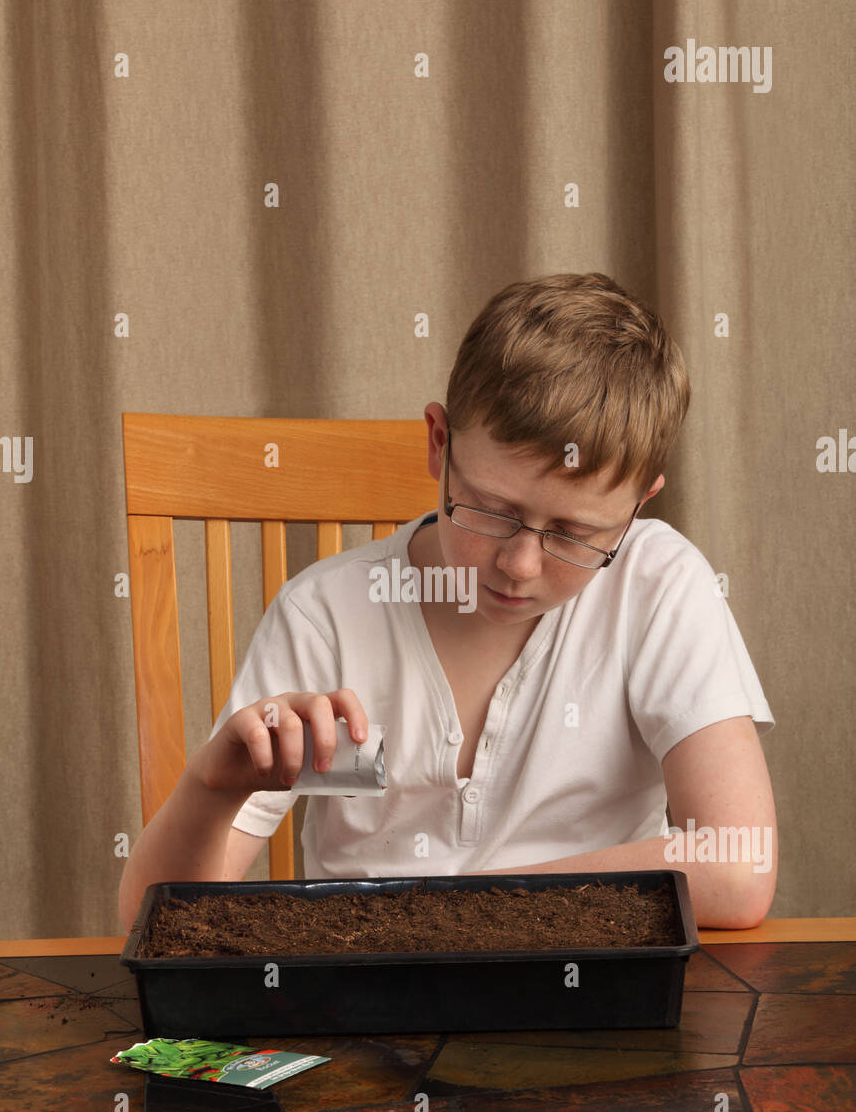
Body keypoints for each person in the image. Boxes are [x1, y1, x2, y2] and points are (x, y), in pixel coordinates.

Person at [118, 272, 776, 933]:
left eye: (575, 535)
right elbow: (153, 922)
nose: (519, 565)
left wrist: (454, 911)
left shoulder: (657, 585)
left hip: (587, 999)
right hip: (370, 1001)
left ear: (640, 504)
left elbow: (738, 866)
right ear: (439, 442)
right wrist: (212, 789)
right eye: (490, 510)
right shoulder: (326, 617)